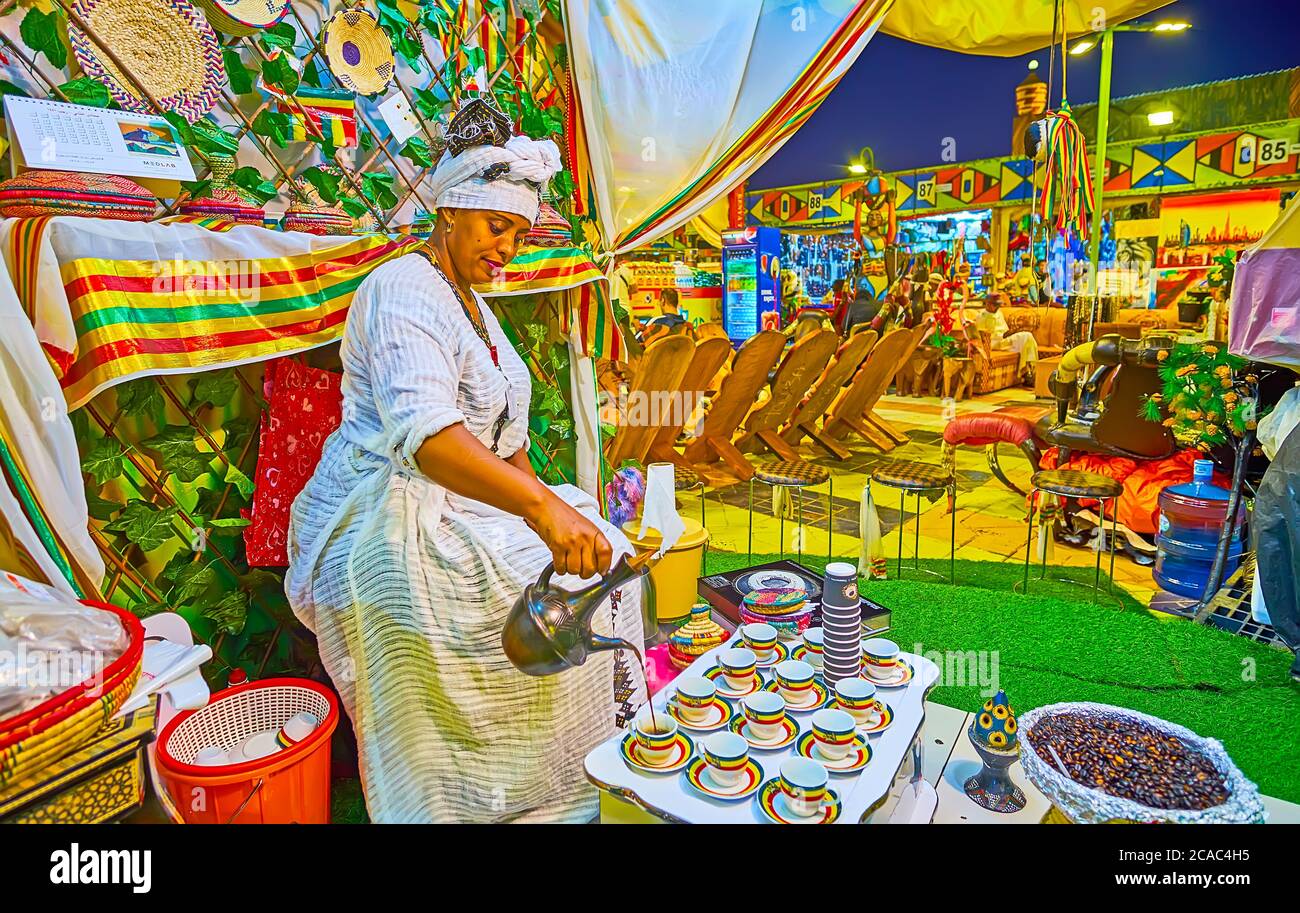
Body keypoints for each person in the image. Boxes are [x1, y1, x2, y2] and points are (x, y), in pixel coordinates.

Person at [286, 102, 645, 824]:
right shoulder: (401, 289)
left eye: (518, 232)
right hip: (384, 514)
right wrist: (541, 509)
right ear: (449, 211)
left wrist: (562, 508)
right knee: (517, 581)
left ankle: (582, 772)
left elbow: (504, 444)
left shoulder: (474, 306)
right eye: (496, 227)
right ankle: (464, 797)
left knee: (612, 559)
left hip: (462, 499)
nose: (507, 247)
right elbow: (430, 440)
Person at [972, 292, 1039, 380]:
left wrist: (1012, 332)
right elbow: (983, 337)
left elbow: (1004, 330)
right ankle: (1026, 372)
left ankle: (1030, 370)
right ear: (988, 304)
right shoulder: (981, 317)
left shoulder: (998, 313)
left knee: (1027, 336)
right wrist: (1003, 335)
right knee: (1025, 338)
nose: (997, 307)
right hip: (993, 344)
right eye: (995, 305)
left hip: (1004, 340)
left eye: (998, 305)